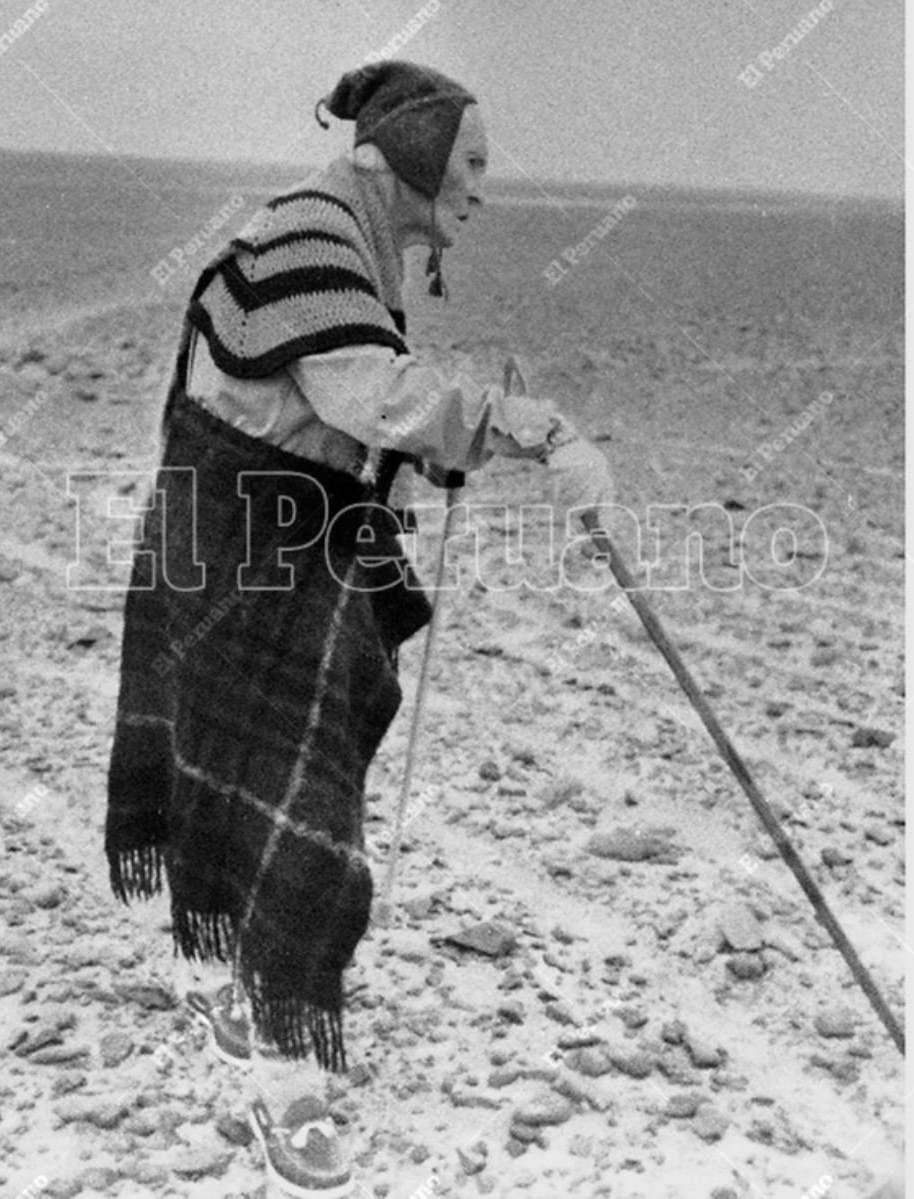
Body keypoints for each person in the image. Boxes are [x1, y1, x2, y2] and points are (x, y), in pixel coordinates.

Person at [105, 59, 614, 1198]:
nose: (481, 191)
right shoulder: (317, 232)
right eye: (470, 166)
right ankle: (287, 1068)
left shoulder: (339, 227)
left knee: (229, 760)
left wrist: (435, 442)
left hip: (241, 530)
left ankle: (215, 968)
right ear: (409, 164)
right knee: (302, 794)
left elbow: (350, 395)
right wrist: (527, 426)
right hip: (247, 541)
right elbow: (367, 395)